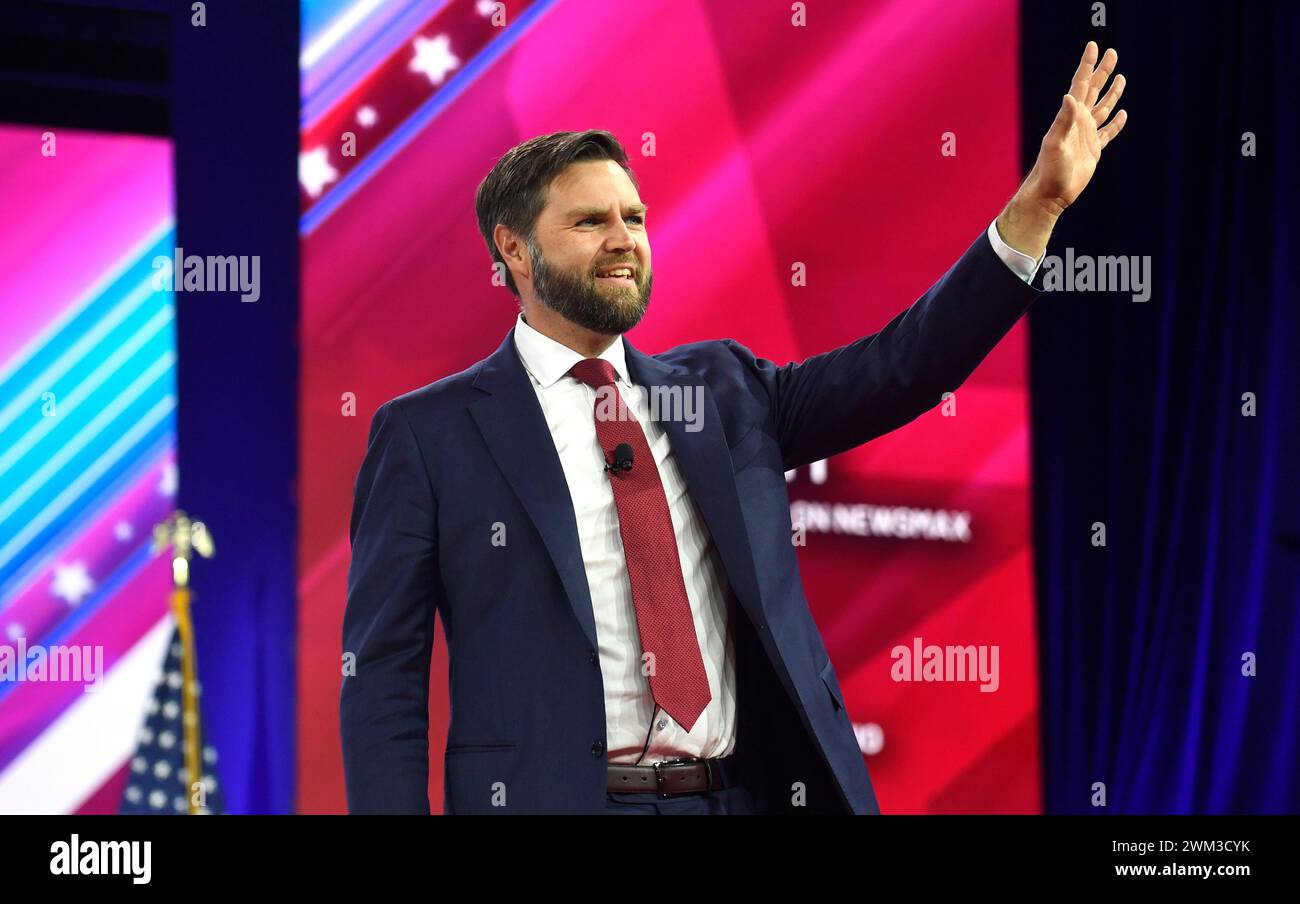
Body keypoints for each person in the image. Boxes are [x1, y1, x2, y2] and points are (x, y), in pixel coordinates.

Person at [341, 42, 1128, 815]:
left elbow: (907, 366)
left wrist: (1036, 211)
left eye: (635, 217)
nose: (625, 239)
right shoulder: (428, 437)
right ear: (512, 248)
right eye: (590, 221)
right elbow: (382, 674)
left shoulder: (723, 392)